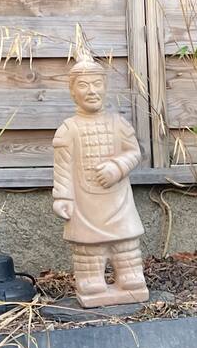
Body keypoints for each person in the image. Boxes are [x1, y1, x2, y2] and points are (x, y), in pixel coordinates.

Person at [53, 56, 148, 307]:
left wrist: (117, 167)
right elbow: (63, 167)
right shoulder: (68, 129)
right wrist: (62, 197)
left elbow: (134, 153)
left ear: (105, 87)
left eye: (97, 84)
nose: (92, 91)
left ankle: (130, 276)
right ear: (72, 91)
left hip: (118, 201)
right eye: (83, 85)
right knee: (88, 246)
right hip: (85, 203)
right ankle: (91, 279)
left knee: (125, 241)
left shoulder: (119, 123)